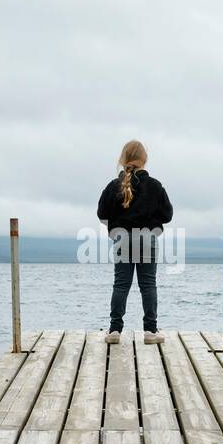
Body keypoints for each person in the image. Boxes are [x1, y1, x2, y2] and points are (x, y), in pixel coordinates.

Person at [97, 139, 173, 344]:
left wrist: (115, 227)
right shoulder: (155, 186)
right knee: (148, 285)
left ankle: (114, 331)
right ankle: (150, 331)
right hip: (148, 238)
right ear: (144, 161)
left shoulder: (113, 186)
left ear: (123, 160)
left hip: (122, 238)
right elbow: (167, 216)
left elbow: (101, 214)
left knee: (121, 285)